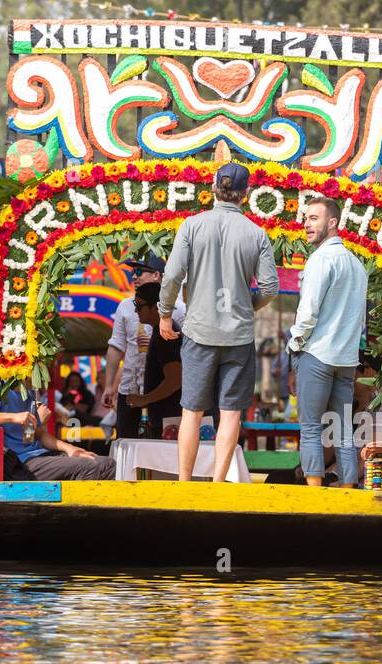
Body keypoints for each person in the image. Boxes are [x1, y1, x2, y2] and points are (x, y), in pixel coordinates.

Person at [157, 162, 278, 482]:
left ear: (213, 187)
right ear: (246, 194)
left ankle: (184, 484)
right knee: (230, 414)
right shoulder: (256, 233)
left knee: (191, 413)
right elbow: (269, 288)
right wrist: (248, 307)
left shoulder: (192, 226)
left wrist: (165, 313)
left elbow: (171, 275)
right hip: (238, 337)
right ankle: (218, 484)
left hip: (199, 333)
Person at [287, 197, 367, 488]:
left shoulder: (321, 259)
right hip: (346, 359)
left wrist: (296, 343)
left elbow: (307, 312)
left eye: (314, 218)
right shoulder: (357, 265)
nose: (307, 224)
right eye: (306, 218)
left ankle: (316, 496)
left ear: (332, 222)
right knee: (344, 430)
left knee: (310, 428)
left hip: (317, 354)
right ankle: (347, 490)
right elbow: (359, 319)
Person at [0, 383, 116, 480]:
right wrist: (13, 417)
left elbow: (33, 435)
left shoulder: (30, 392)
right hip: (21, 465)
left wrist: (70, 448)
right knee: (92, 467)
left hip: (39, 457)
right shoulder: (0, 388)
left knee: (107, 463)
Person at [103, 253, 183, 438]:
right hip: (131, 388)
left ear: (157, 275)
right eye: (132, 272)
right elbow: (116, 347)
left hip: (163, 391)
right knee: (126, 440)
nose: (134, 276)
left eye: (139, 271)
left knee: (160, 442)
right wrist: (109, 386)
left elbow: (182, 355)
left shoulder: (179, 308)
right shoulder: (124, 306)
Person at [130, 282, 183, 435]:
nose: (135, 310)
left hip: (170, 421)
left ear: (156, 306)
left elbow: (175, 379)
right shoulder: (161, 331)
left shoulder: (166, 334)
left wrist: (145, 399)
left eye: (139, 306)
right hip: (167, 419)